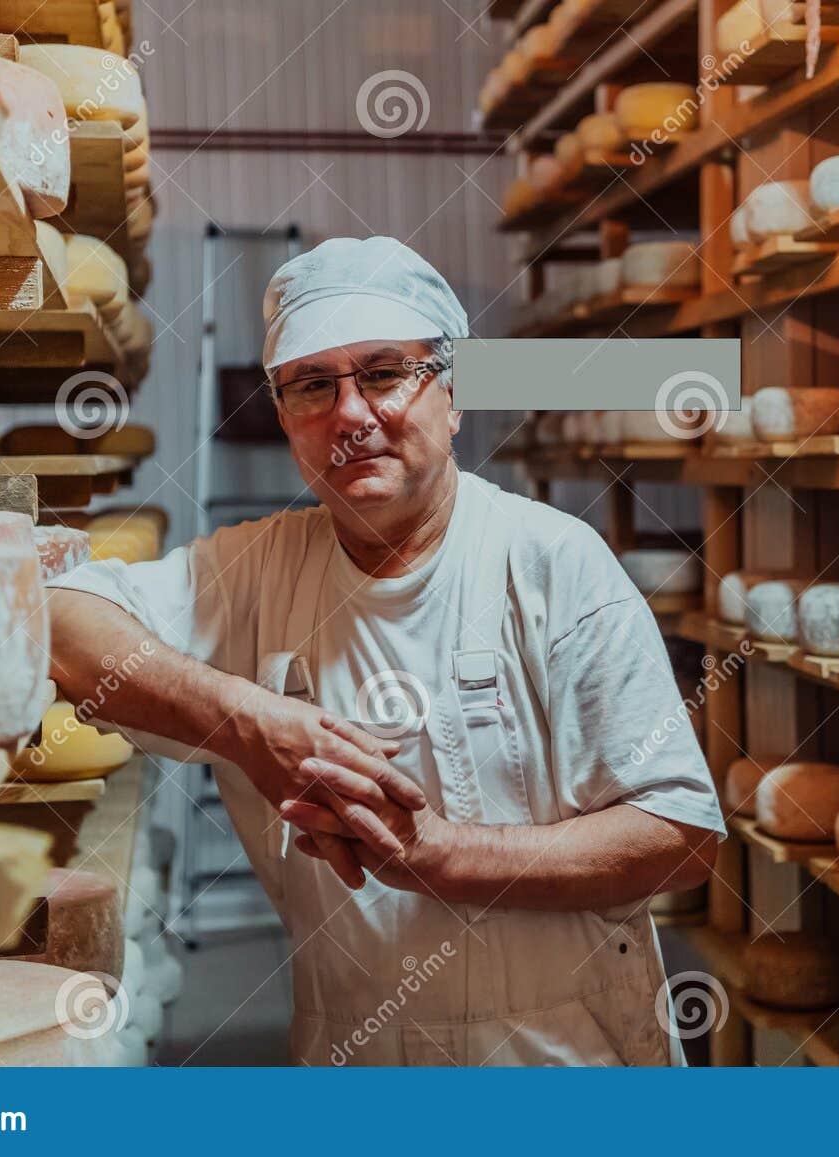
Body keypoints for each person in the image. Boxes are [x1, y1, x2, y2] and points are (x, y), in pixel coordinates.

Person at [46, 236, 723, 1066]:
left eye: (382, 372)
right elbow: (61, 620)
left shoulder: (550, 562)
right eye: (312, 386)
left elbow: (683, 834)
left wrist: (452, 856)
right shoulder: (256, 567)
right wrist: (246, 720)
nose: (351, 415)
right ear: (284, 413)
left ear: (453, 393)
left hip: (558, 1058)